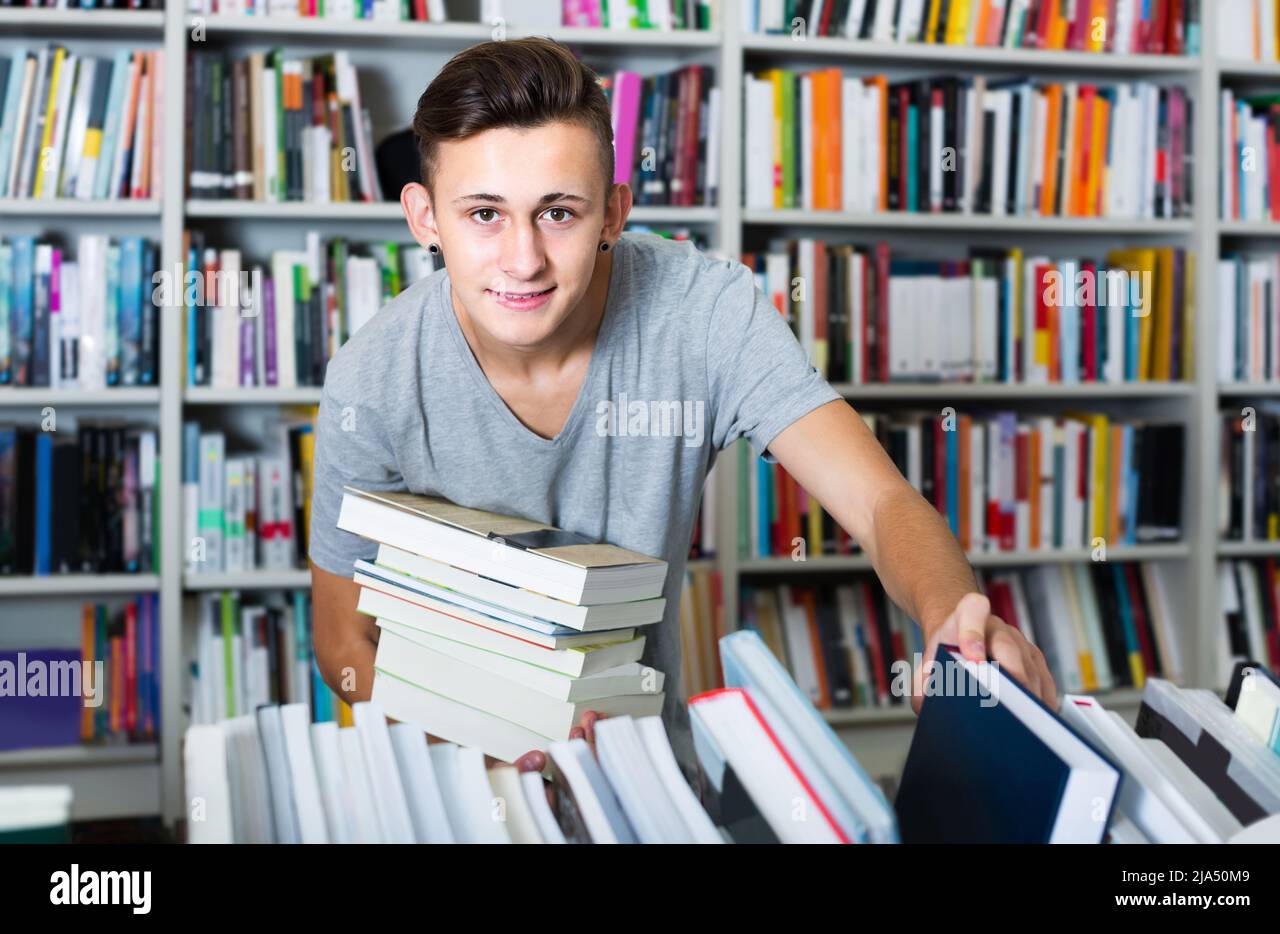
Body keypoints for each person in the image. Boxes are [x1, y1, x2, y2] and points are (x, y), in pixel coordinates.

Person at [308, 36, 1057, 778]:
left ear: (613, 213)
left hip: (650, 776)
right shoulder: (370, 380)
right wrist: (496, 745)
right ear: (424, 217)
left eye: (559, 213)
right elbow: (343, 642)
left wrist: (955, 619)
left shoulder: (706, 310)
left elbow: (880, 502)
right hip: (457, 782)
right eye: (483, 215)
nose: (523, 259)